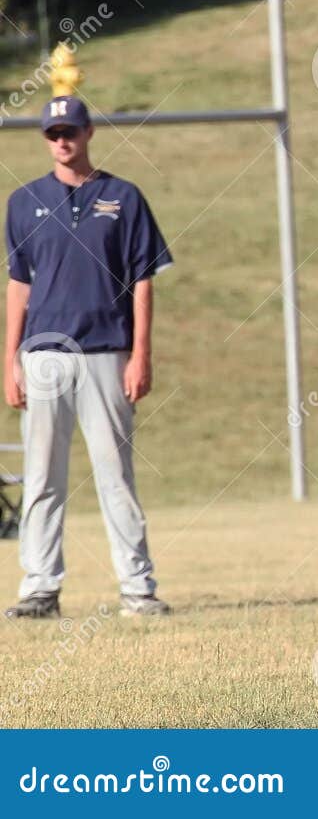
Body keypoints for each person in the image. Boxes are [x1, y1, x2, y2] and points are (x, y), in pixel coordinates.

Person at [3, 95, 174, 619]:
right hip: (45, 355)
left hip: (106, 351)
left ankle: (137, 588)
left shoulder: (123, 197)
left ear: (88, 132)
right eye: (53, 132)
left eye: (70, 130)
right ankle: (39, 588)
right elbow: (18, 286)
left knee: (114, 473)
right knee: (41, 476)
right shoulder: (23, 200)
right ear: (45, 137)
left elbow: (143, 282)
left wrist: (140, 353)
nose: (62, 140)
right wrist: (9, 359)